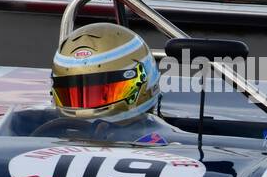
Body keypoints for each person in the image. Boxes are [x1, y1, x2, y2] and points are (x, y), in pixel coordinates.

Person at [31, 23, 178, 142]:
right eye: (72, 95)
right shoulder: (34, 130)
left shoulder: (160, 144)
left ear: (141, 83)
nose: (83, 109)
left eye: (103, 93)